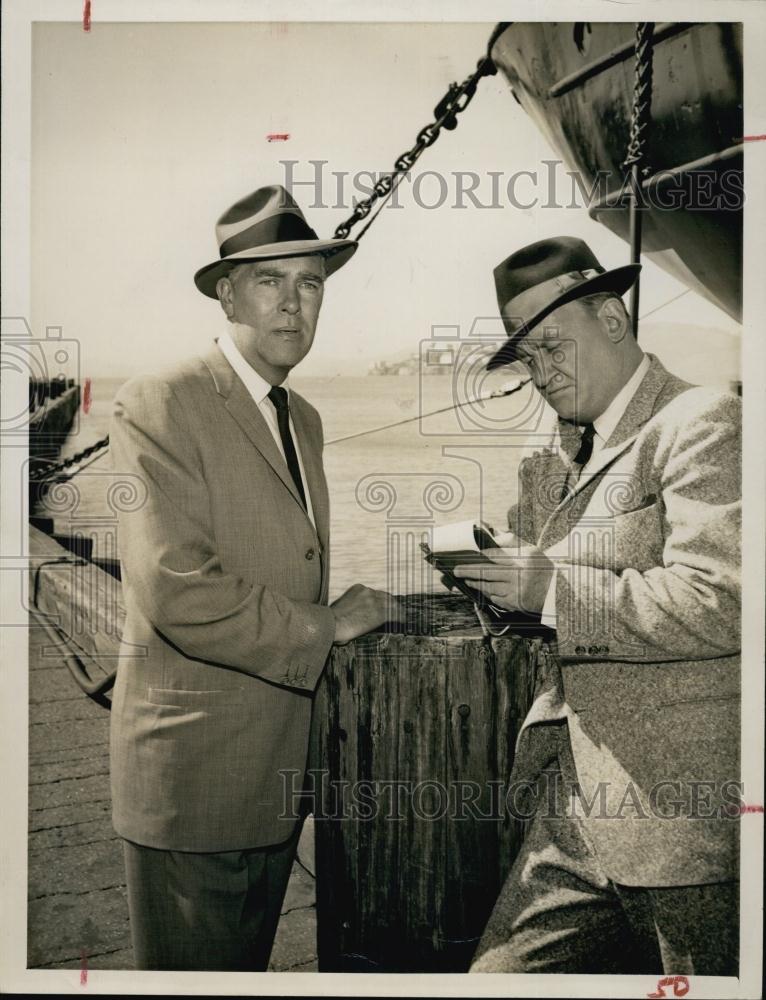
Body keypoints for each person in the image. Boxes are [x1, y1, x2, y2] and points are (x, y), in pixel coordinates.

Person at [108, 184, 401, 971]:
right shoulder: (159, 402)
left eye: (311, 284)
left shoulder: (300, 416)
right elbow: (176, 588)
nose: (293, 304)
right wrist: (328, 626)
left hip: (276, 783)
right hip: (194, 785)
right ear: (226, 291)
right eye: (270, 281)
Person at [453, 236, 741, 975]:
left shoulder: (701, 419)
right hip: (574, 804)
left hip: (679, 820)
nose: (542, 373)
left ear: (613, 319)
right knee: (493, 979)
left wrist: (546, 587)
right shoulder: (572, 447)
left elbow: (722, 599)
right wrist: (494, 578)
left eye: (553, 346)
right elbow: (550, 600)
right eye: (530, 359)